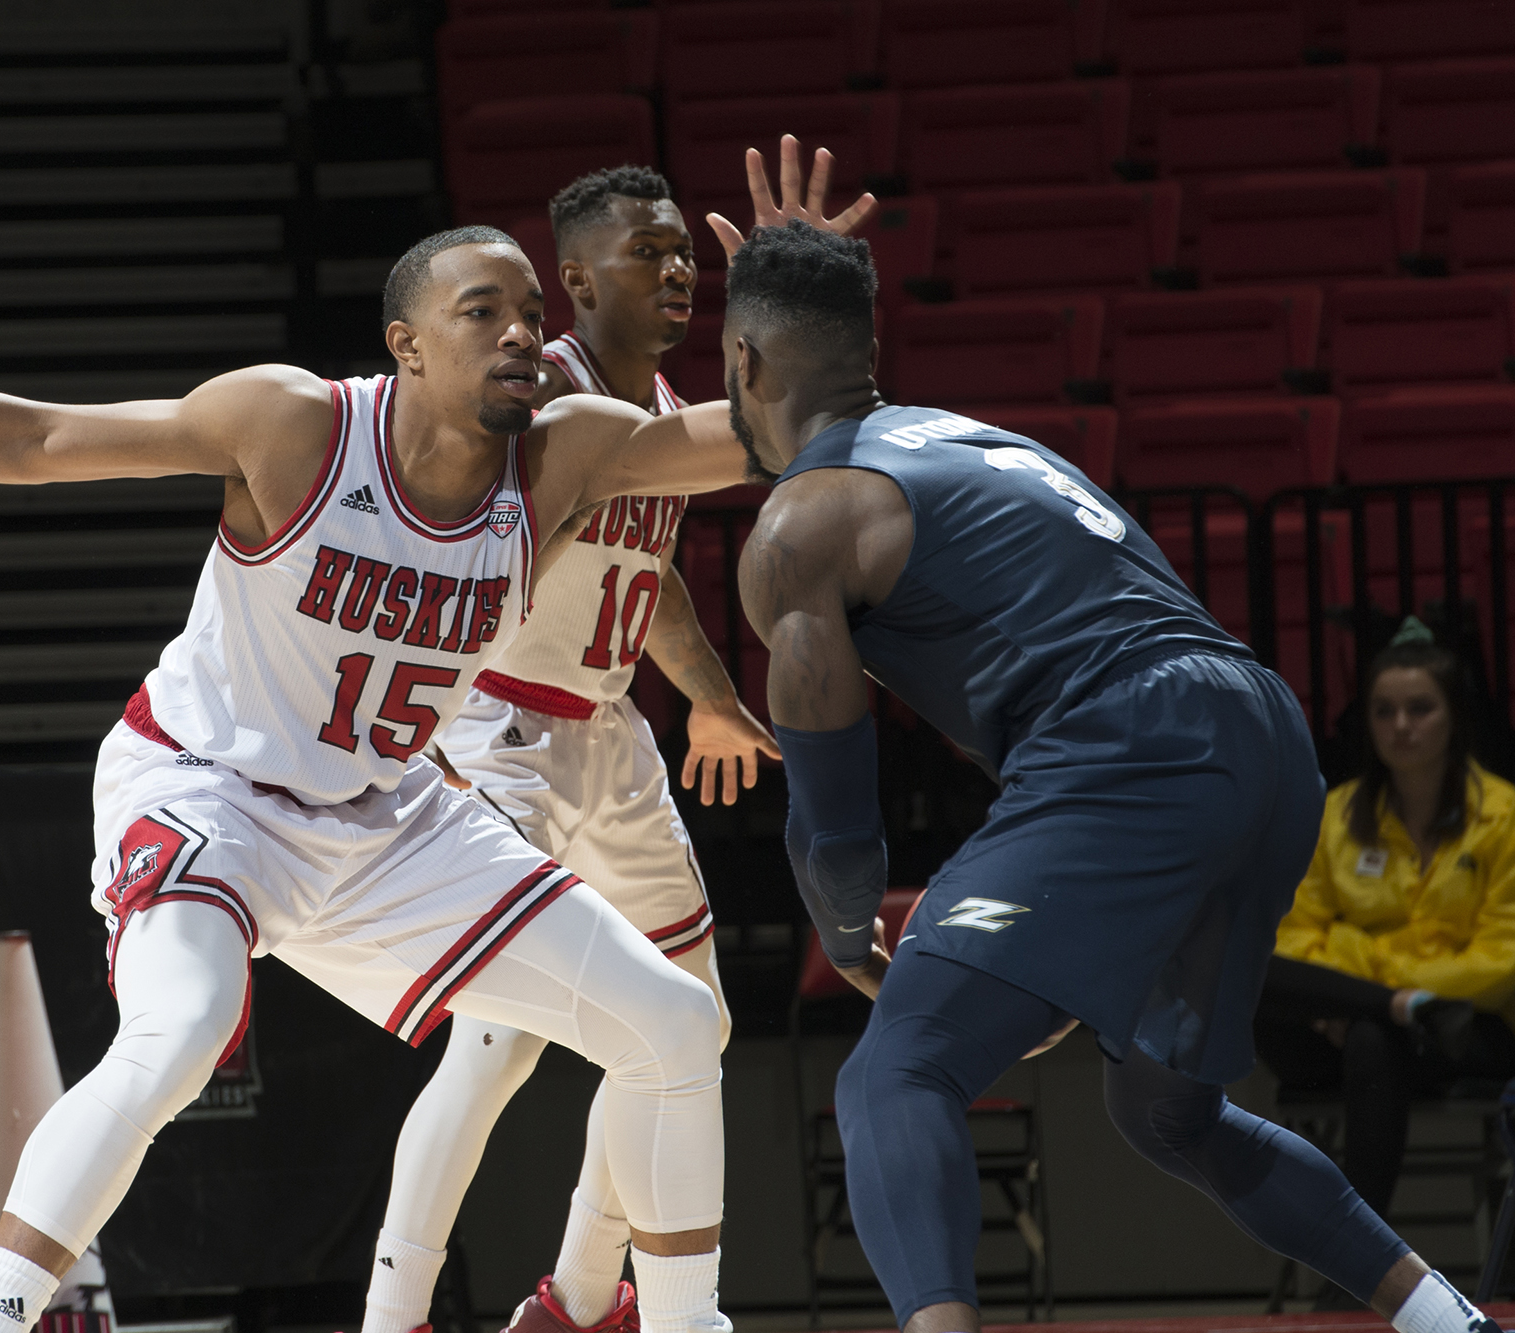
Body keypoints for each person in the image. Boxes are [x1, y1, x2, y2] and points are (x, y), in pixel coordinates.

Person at [0, 186, 823, 1333]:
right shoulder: (296, 424)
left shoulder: (570, 452)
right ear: (404, 344)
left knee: (670, 1025)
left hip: (388, 813)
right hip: (211, 786)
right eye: (482, 313)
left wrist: (795, 290)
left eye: (528, 314)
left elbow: (772, 432)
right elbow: (36, 438)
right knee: (180, 1030)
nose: (519, 334)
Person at [718, 138, 1500, 1333]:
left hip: (1130, 742)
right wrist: (803, 274)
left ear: (740, 361)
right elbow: (812, 390)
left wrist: (848, 931)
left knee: (895, 1066)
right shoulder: (959, 439)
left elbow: (835, 811)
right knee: (1167, 1112)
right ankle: (1443, 1318)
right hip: (1258, 729)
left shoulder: (796, 528)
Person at [362, 164, 784, 1333]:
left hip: (606, 729)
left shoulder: (654, 412)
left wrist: (706, 697)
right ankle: (389, 1315)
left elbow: (641, 582)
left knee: (691, 1016)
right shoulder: (530, 393)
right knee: (497, 1046)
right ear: (580, 280)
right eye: (649, 253)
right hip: (495, 727)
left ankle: (579, 1296)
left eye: (683, 255)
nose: (678, 270)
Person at [1258, 622, 1515, 1233]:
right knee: (1257, 973)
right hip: (1340, 1031)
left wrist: (1365, 977)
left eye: (1419, 709)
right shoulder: (1336, 814)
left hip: (1471, 1029)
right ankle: (1395, 1008)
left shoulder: (1504, 815)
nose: (1401, 726)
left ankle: (1355, 1258)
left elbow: (1502, 957)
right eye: (1384, 711)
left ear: (1454, 716)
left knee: (1376, 1035)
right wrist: (1384, 1000)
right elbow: (1294, 939)